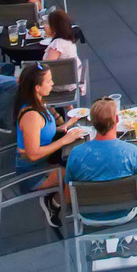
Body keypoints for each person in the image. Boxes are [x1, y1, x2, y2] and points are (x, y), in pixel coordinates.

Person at [64, 98, 137, 218]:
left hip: (88, 215)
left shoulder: (76, 154)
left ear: (92, 123)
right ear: (117, 120)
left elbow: (67, 198)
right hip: (125, 213)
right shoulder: (131, 152)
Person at [12, 62, 84, 217]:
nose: (53, 83)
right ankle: (55, 204)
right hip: (32, 174)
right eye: (49, 80)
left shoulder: (38, 102)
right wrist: (64, 140)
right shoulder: (31, 115)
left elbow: (42, 132)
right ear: (37, 87)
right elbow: (33, 154)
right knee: (78, 172)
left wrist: (65, 126)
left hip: (43, 162)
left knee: (79, 158)